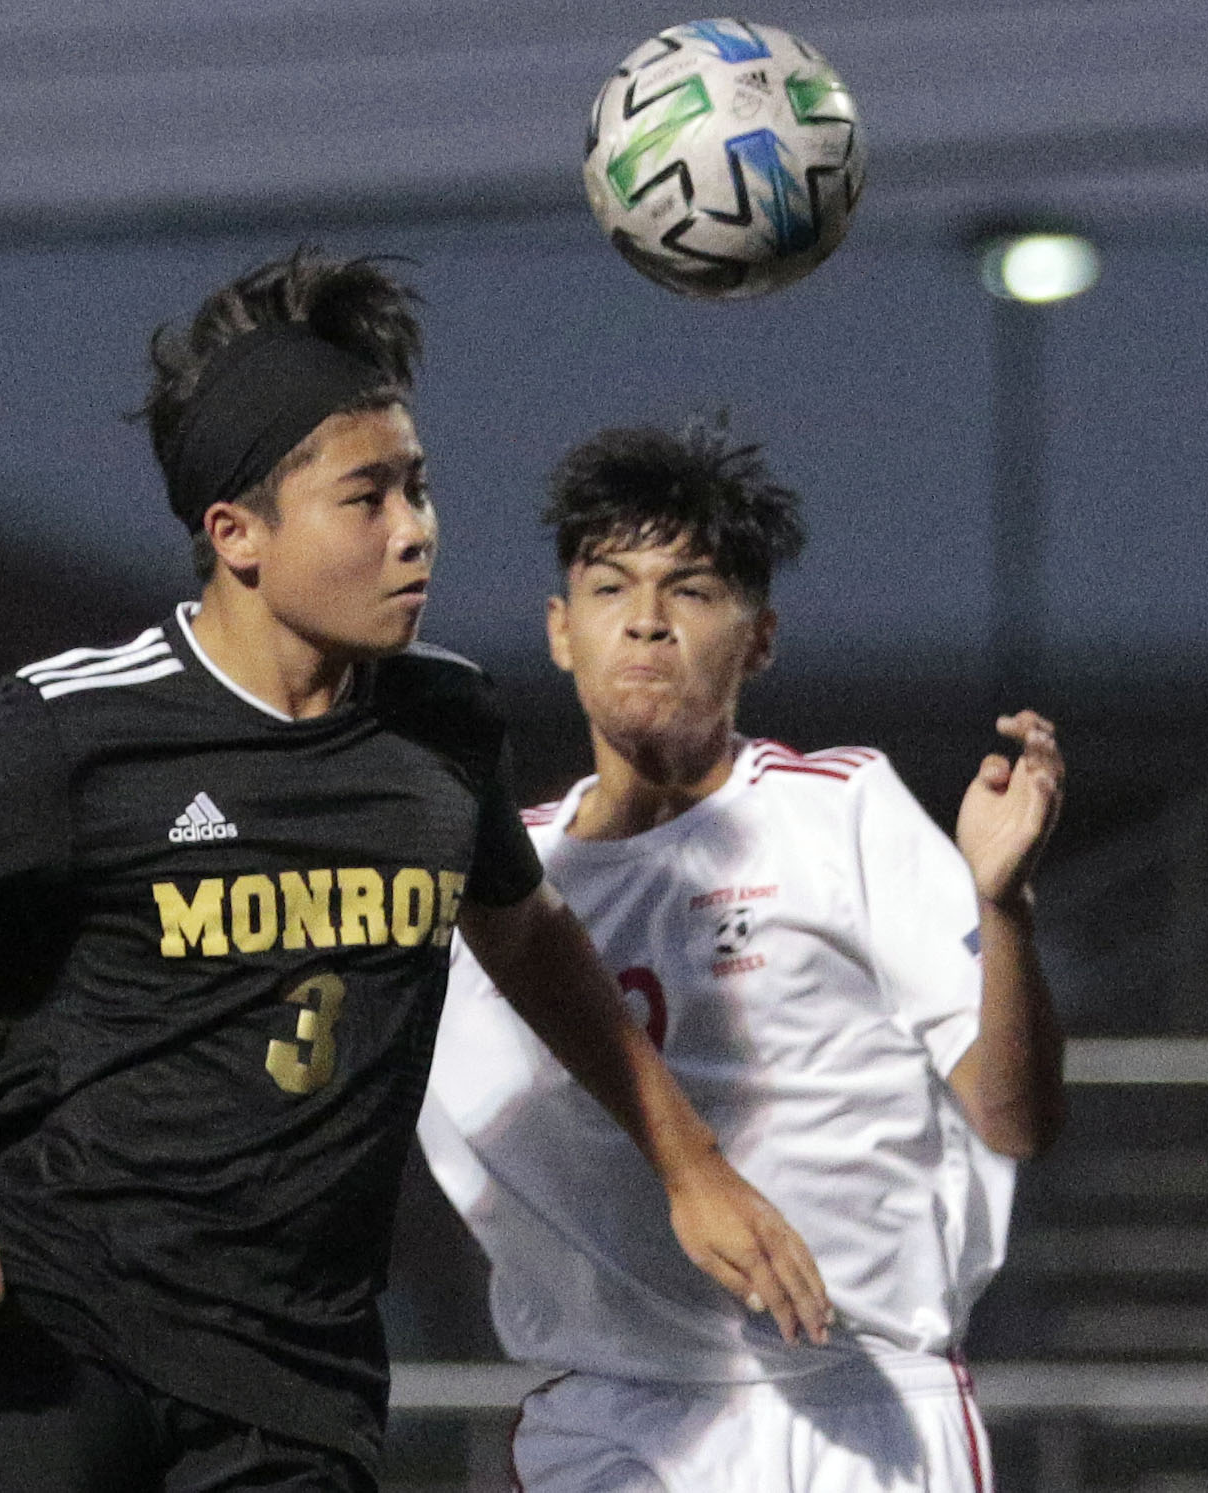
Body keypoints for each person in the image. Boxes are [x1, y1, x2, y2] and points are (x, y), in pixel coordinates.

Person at [0, 254, 828, 1493]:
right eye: (365, 498)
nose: (415, 529)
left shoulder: (440, 727)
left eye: (419, 489)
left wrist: (690, 1165)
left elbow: (529, 932)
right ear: (239, 535)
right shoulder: (80, 729)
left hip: (297, 1379)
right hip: (56, 1341)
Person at [418, 417, 1066, 1493]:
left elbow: (1014, 1117)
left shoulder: (841, 814)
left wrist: (1004, 910)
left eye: (693, 591)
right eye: (611, 588)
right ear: (559, 629)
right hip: (608, 1420)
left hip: (853, 1406)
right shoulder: (490, 884)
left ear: (759, 636)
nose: (648, 624)